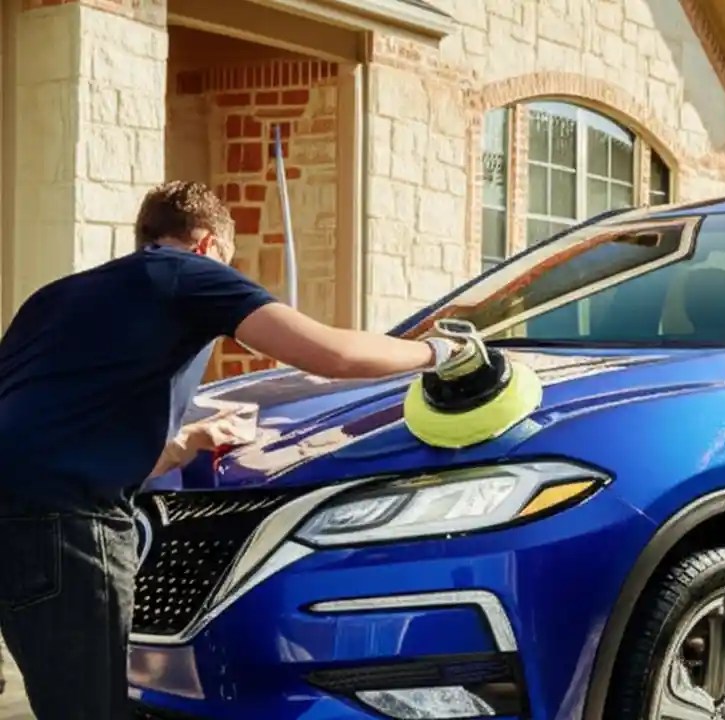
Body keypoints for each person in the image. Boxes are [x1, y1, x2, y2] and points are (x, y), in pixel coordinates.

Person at [0, 181, 456, 719]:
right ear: (209, 246)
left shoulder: (57, 297)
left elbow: (50, 429)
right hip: (66, 524)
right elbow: (330, 355)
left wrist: (186, 443)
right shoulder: (187, 274)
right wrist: (439, 350)